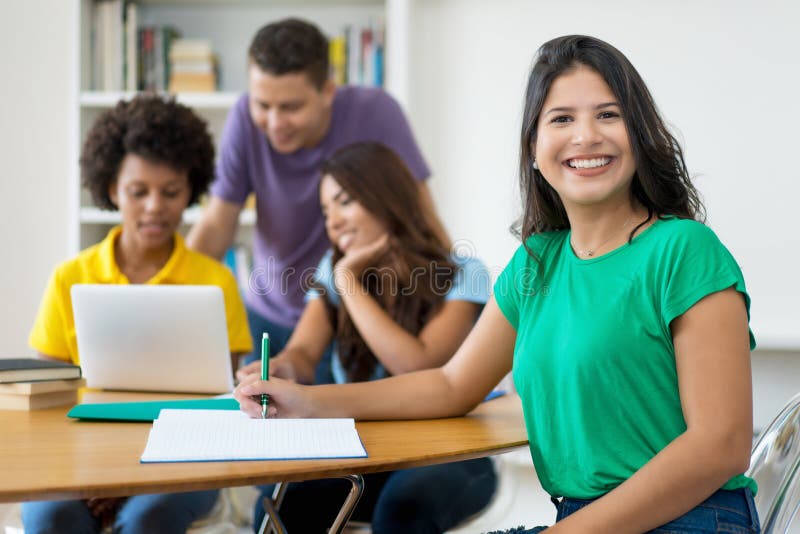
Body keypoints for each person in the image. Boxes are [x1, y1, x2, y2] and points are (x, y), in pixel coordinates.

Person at [236, 35, 761, 533]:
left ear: (640, 136)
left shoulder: (684, 250)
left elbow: (721, 444)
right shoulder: (536, 264)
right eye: (561, 119)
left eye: (608, 115)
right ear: (534, 147)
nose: (586, 136)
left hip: (695, 518)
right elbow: (449, 385)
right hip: (584, 517)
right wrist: (308, 401)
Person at [233, 141, 495, 533]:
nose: (333, 222)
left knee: (405, 508)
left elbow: (416, 365)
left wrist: (348, 283)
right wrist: (278, 368)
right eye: (326, 210)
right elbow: (303, 353)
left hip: (447, 455)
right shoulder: (333, 268)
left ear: (386, 197)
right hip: (365, 453)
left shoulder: (464, 272)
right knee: (280, 506)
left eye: (345, 202)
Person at [24, 94, 253, 534]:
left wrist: (129, 477)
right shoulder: (70, 278)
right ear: (112, 188)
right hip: (81, 452)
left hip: (184, 455)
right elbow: (45, 398)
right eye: (138, 191)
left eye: (171, 192)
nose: (154, 206)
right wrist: (93, 471)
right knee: (53, 516)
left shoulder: (215, 282)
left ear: (191, 190)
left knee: (150, 516)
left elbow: (217, 402)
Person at [186, 18, 448, 379]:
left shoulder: (377, 112)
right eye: (262, 104)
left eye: (291, 107)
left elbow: (419, 213)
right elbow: (217, 223)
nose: (274, 123)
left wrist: (444, 291)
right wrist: (174, 299)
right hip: (273, 311)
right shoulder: (244, 120)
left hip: (354, 314)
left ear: (328, 91)